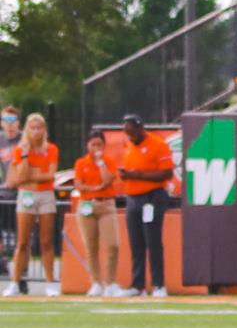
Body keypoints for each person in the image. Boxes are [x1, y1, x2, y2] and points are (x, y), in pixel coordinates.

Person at [120, 115, 176, 297]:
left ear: (140, 129)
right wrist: (127, 175)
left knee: (152, 241)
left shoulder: (158, 145)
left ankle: (159, 284)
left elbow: (167, 173)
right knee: (136, 243)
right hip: (132, 198)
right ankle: (138, 285)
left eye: (132, 133)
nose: (131, 138)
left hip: (152, 197)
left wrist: (138, 175)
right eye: (127, 134)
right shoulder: (129, 146)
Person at [5, 114, 59, 296]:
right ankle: (14, 282)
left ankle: (50, 283)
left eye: (39, 127)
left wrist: (30, 176)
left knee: (46, 241)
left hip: (45, 195)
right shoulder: (20, 149)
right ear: (27, 130)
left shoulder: (51, 149)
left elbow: (50, 175)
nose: (36, 131)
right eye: (33, 128)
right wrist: (26, 156)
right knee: (22, 242)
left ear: (44, 129)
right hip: (26, 195)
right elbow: (20, 177)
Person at [70, 131, 121, 296]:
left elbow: (107, 180)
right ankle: (96, 282)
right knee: (91, 245)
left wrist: (100, 164)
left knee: (112, 245)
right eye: (93, 144)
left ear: (104, 146)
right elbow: (79, 184)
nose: (96, 148)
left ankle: (110, 283)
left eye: (99, 144)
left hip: (105, 204)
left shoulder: (109, 161)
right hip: (86, 205)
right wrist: (93, 188)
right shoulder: (81, 163)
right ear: (88, 146)